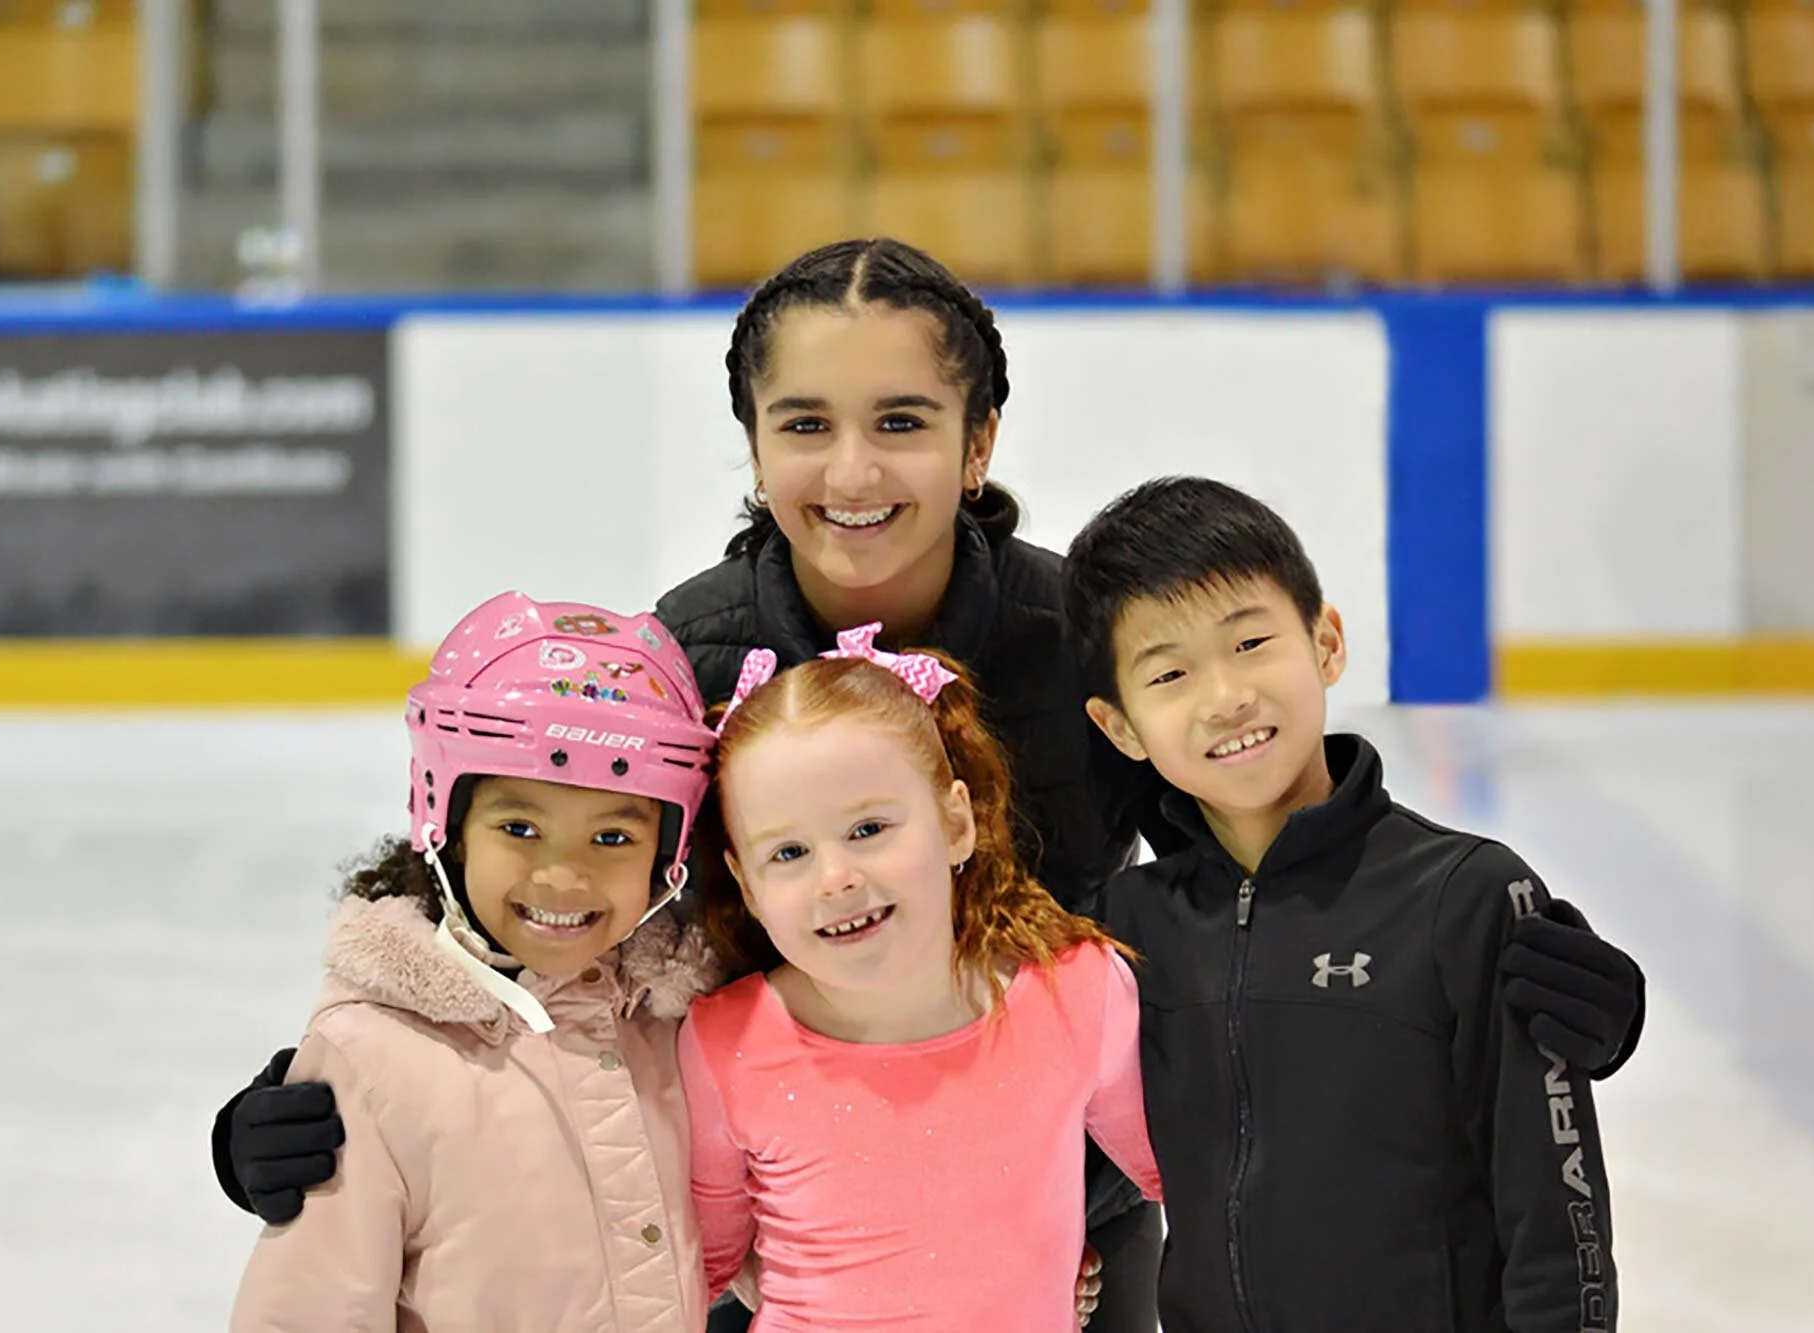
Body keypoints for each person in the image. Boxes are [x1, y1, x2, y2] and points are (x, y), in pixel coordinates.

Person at [209, 238, 1646, 1331]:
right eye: (804, 425)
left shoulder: (1065, 638)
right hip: (777, 1225)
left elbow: (1241, 852)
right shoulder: (691, 650)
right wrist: (337, 1089)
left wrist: (1485, 958)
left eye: (902, 422)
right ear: (756, 442)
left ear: (979, 444)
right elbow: (546, 876)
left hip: (1062, 1239)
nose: (852, 470)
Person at [1063, 477, 1620, 1332]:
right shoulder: (1132, 929)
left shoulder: (1460, 896)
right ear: (1121, 726)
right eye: (1170, 672)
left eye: (1250, 642)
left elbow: (1558, 1227)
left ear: (1326, 642)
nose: (1225, 697)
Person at [229, 592, 725, 1332]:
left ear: (667, 853)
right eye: (520, 826)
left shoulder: (679, 1030)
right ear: (450, 827)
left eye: (613, 838)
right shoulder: (371, 1058)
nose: (564, 874)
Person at [681, 626, 1162, 1329]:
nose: (836, 877)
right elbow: (696, 1264)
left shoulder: (1076, 992)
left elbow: (1203, 1182)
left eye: (870, 828)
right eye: (788, 851)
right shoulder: (726, 1040)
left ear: (956, 821)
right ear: (745, 884)